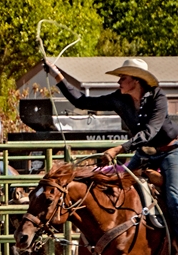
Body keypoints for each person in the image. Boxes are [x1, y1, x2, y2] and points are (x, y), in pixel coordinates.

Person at [43, 58, 178, 241]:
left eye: (123, 77)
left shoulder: (157, 97)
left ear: (136, 80)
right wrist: (56, 75)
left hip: (170, 151)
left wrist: (119, 148)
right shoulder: (119, 99)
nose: (119, 81)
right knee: (113, 187)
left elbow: (150, 132)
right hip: (144, 154)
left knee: (173, 198)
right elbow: (82, 101)